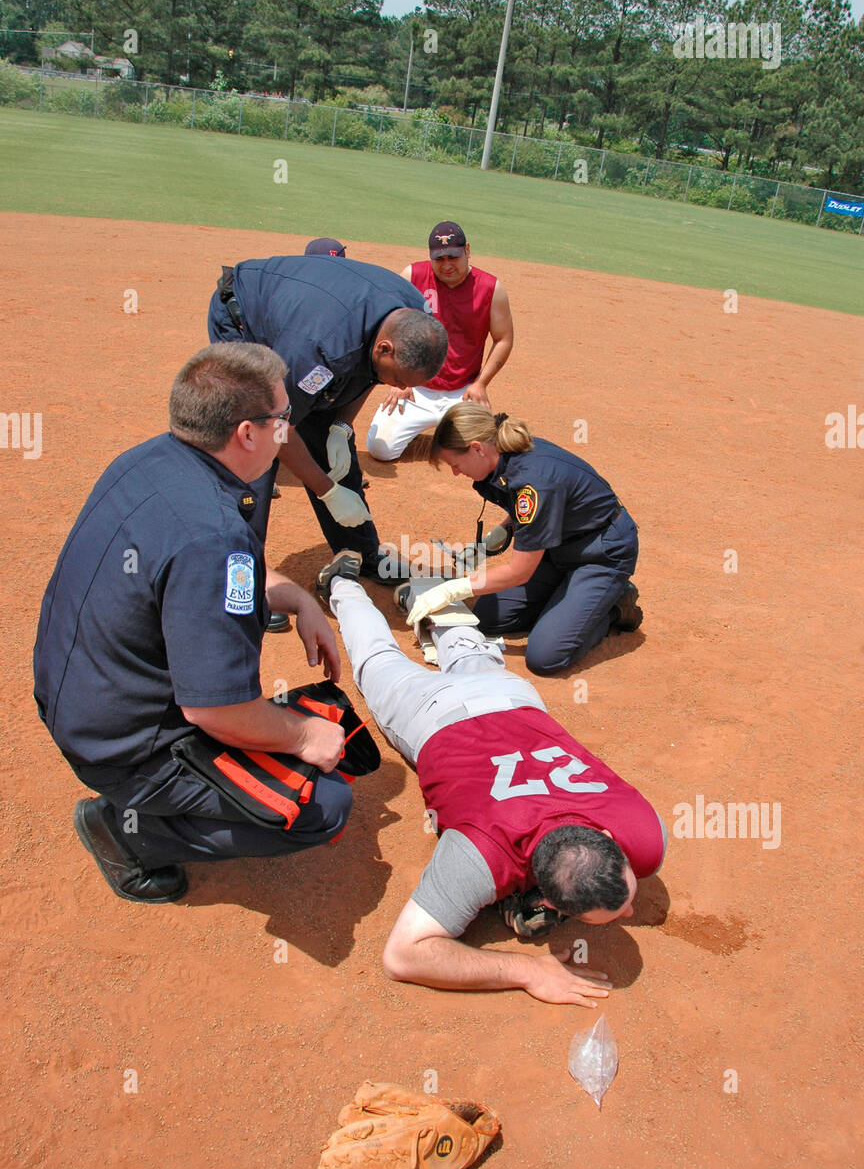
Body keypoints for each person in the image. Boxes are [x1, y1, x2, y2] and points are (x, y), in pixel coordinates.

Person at [33, 344, 353, 905]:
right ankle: (127, 833)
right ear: (248, 433)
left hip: (82, 695)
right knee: (323, 807)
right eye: (283, 418)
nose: (289, 428)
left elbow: (215, 565)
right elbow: (214, 711)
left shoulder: (155, 459)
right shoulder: (212, 536)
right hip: (127, 746)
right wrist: (303, 735)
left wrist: (298, 597)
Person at [314, 552, 666, 1006]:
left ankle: (388, 589)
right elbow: (404, 956)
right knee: (377, 661)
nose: (632, 910)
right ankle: (343, 587)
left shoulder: (639, 833)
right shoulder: (481, 857)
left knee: (467, 645)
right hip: (435, 716)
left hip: (511, 698)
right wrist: (526, 969)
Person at [207, 255, 448, 584]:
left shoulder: (411, 316)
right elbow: (276, 426)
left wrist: (342, 425)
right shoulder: (322, 349)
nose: (402, 388)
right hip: (245, 322)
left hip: (318, 324)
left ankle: (360, 551)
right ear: (386, 348)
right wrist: (328, 491)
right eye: (400, 378)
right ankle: (243, 578)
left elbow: (370, 374)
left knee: (331, 439)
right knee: (256, 448)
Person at [405, 406, 643, 676]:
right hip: (557, 547)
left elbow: (519, 571)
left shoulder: (535, 483)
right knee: (486, 619)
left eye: (455, 465)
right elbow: (526, 508)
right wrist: (501, 532)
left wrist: (451, 589)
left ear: (476, 448)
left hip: (600, 554)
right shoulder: (505, 452)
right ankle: (568, 603)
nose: (456, 474)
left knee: (545, 656)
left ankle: (613, 606)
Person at [366, 222, 514, 462]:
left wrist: (480, 384)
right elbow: (389, 328)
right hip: (415, 388)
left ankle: (448, 434)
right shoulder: (412, 276)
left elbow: (503, 338)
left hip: (463, 392)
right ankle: (431, 435)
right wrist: (398, 379)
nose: (446, 265)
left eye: (453, 257)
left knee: (486, 453)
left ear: (467, 250)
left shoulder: (491, 288)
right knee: (380, 450)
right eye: (439, 258)